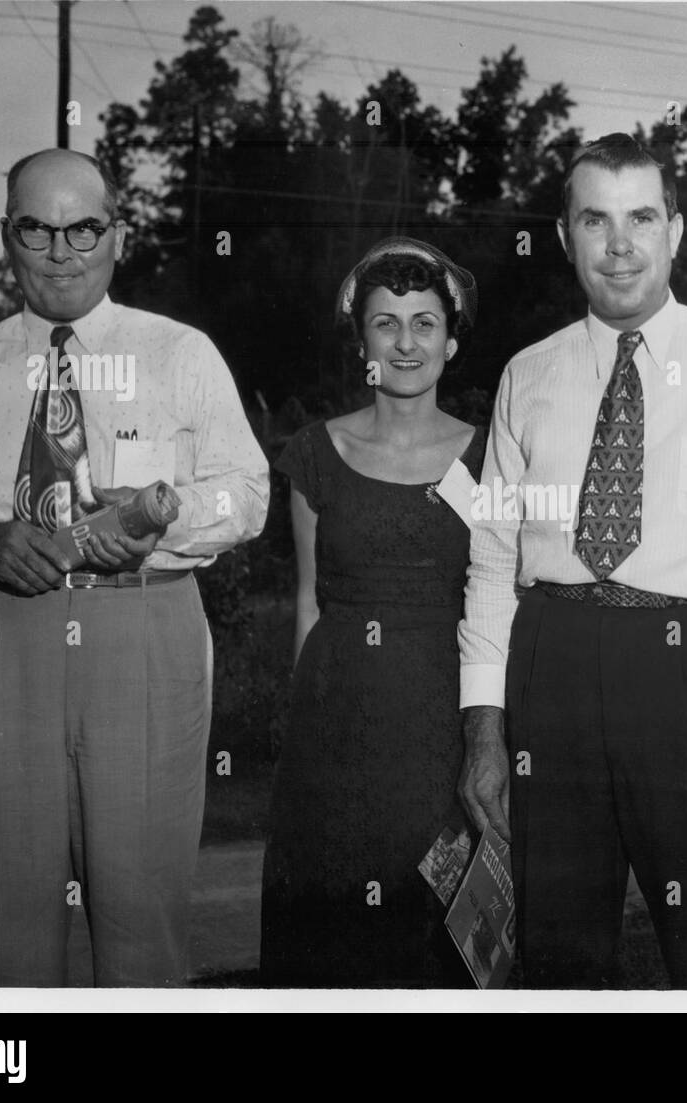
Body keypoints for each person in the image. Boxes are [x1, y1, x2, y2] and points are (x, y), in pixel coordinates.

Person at [457, 134, 687, 988]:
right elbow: (490, 561)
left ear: (676, 231)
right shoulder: (527, 374)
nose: (619, 243)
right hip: (550, 667)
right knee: (558, 956)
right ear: (564, 236)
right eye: (596, 219)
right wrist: (484, 726)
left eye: (641, 218)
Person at [0, 149, 269, 986]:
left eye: (84, 228)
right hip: (3, 633)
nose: (62, 250)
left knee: (143, 915)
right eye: (38, 228)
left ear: (118, 234)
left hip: (143, 628)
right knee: (10, 918)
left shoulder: (180, 352)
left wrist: (168, 515)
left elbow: (248, 490)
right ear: (8, 236)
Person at [260, 237, 485, 987]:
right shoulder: (315, 452)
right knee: (334, 941)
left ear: (451, 341)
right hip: (336, 725)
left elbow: (499, 601)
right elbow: (306, 598)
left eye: (424, 322)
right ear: (362, 342)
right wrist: (301, 732)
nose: (406, 341)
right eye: (385, 323)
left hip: (441, 726)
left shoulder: (488, 458)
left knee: (437, 927)